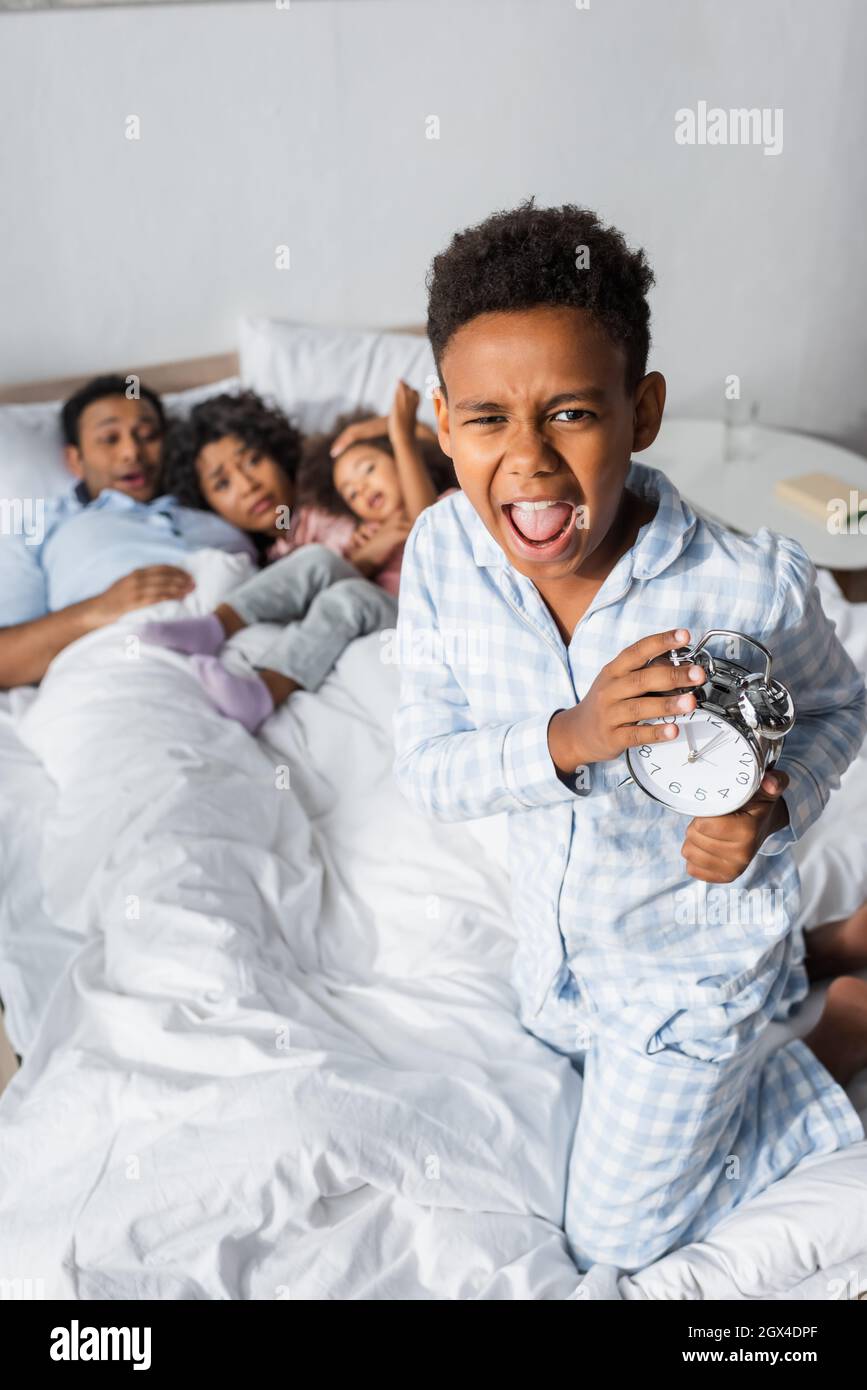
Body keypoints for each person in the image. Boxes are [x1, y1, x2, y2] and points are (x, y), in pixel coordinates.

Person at [391, 199, 867, 1273]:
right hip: (553, 972)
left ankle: (831, 1031)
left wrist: (773, 807)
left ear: (640, 410)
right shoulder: (440, 555)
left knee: (615, 1237)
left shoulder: (747, 583)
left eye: (569, 414)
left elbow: (841, 705)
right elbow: (426, 770)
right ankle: (824, 948)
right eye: (486, 420)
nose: (528, 462)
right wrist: (568, 736)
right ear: (441, 419)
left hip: (690, 973)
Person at [140, 382, 457, 730]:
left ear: (279, 454)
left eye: (254, 460)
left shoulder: (330, 487)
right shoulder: (271, 558)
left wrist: (388, 429)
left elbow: (425, 463)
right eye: (222, 484)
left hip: (408, 607)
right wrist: (366, 556)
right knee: (323, 568)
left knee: (338, 582)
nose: (248, 485)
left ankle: (261, 686)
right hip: (370, 598)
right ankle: (217, 630)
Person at [0, 375, 259, 689]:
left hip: (256, 657)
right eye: (110, 439)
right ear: (75, 459)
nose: (132, 452)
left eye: (148, 435)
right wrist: (97, 610)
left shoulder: (219, 504)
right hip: (127, 670)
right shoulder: (39, 526)